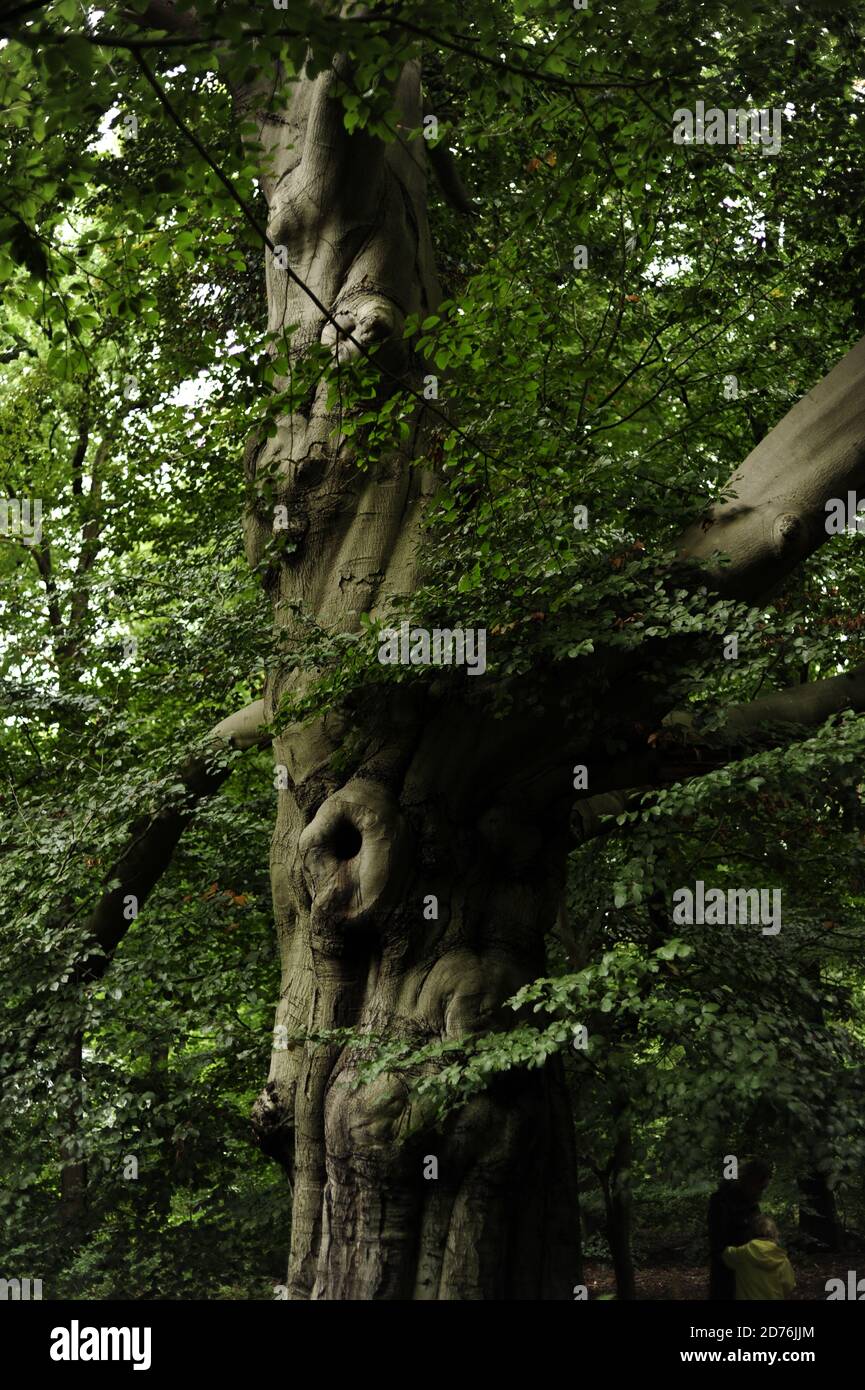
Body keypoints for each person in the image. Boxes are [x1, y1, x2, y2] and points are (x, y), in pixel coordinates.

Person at [707, 1158, 772, 1300]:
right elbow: (719, 1242)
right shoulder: (721, 1201)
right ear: (749, 1179)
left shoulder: (751, 1203)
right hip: (727, 1273)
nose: (760, 1191)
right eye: (760, 1186)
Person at [722, 1215, 796, 1300]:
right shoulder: (781, 1258)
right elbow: (789, 1285)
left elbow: (725, 1254)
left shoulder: (741, 1253)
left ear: (751, 1232)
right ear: (774, 1233)